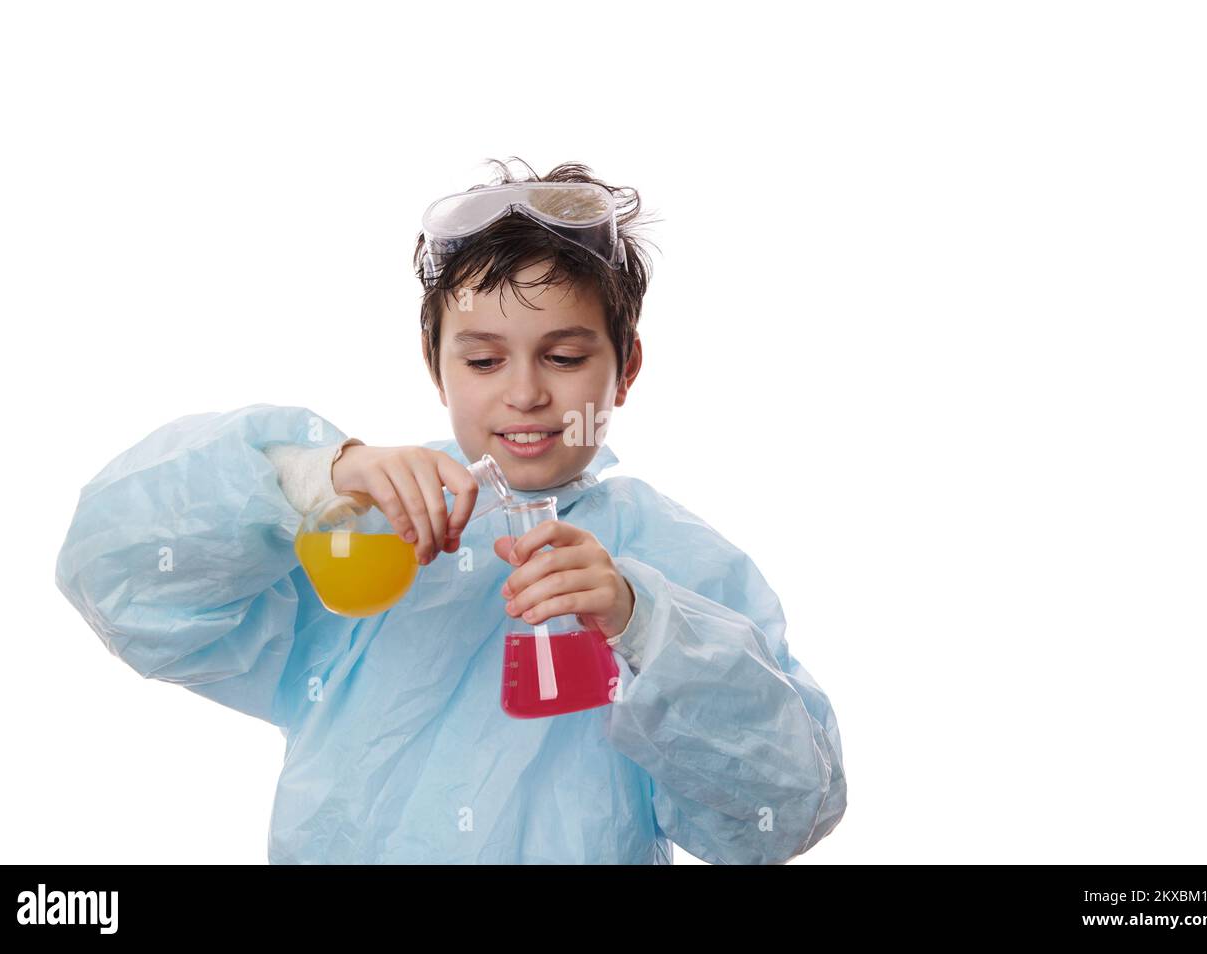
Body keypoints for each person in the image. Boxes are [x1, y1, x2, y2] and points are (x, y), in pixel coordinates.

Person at [54, 158, 848, 864]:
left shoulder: (677, 563)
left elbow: (779, 816)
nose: (527, 392)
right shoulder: (369, 519)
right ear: (435, 365)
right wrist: (312, 477)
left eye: (566, 357)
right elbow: (117, 578)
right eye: (483, 358)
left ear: (626, 366)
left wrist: (644, 623)